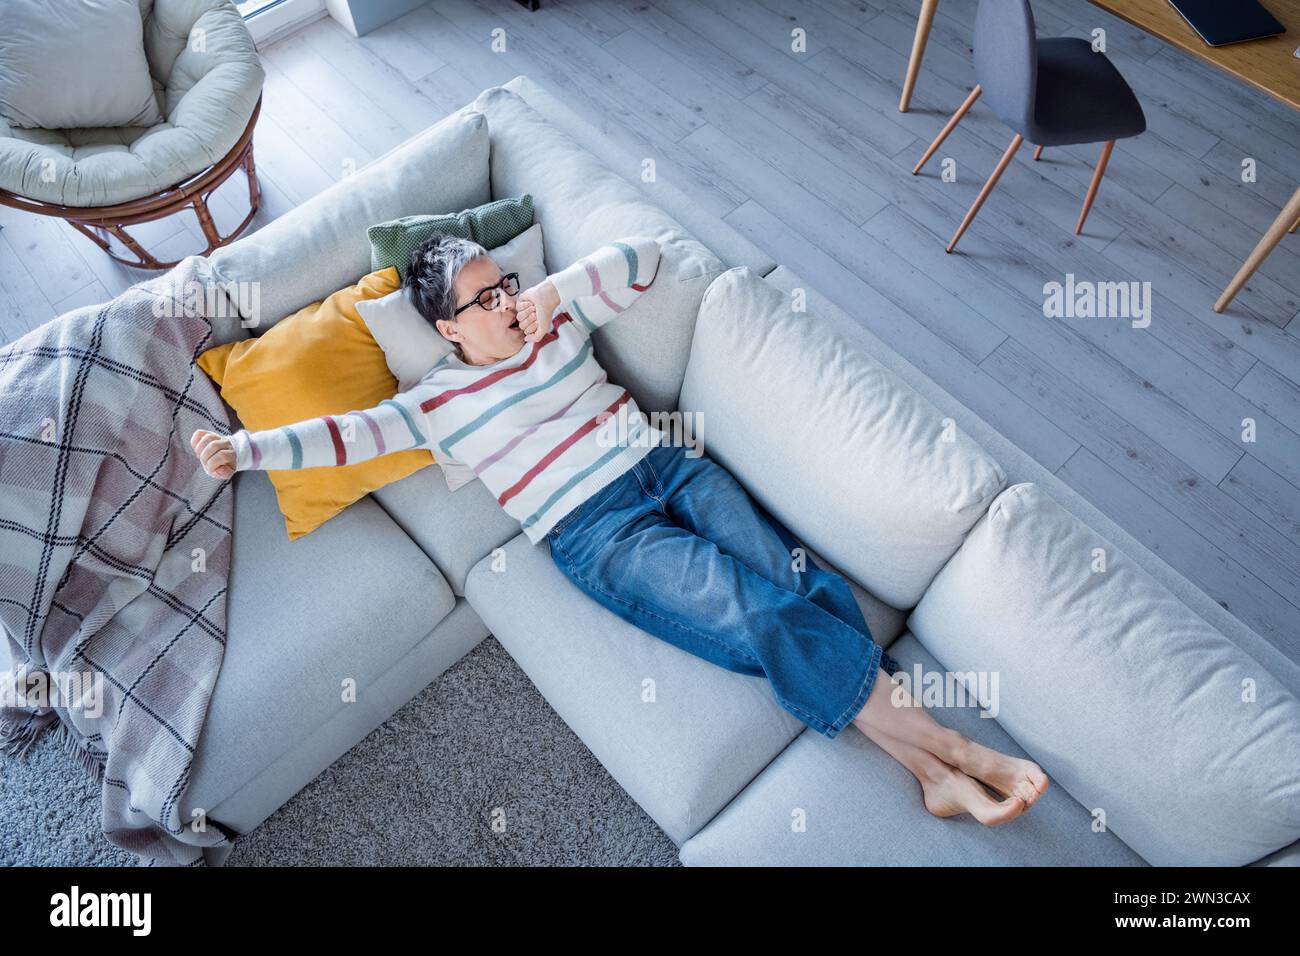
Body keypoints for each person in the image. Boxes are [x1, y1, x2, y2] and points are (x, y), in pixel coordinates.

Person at [191, 232, 1048, 825]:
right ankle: (953, 750)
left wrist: (553, 291)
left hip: (664, 464)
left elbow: (646, 257)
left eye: (507, 284)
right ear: (449, 329)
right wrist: (243, 448)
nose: (507, 302)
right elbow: (340, 436)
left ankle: (931, 776)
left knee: (796, 580)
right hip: (597, 531)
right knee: (755, 613)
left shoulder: (553, 315)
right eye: (485, 301)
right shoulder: (434, 406)